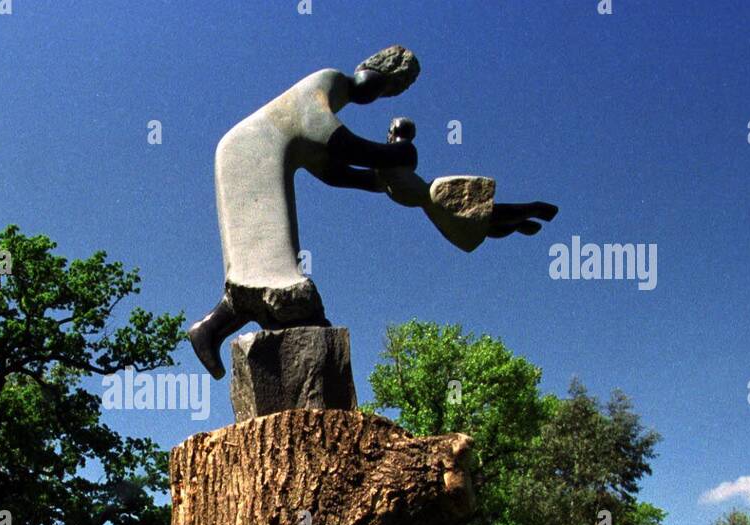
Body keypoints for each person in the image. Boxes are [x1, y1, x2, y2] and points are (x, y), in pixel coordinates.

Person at [189, 45, 558, 379]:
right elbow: (337, 142)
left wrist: (378, 179)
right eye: (385, 85)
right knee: (279, 285)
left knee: (267, 278)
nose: (380, 95)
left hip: (253, 157)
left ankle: (209, 329)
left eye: (390, 91)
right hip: (249, 159)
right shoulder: (327, 82)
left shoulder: (311, 115)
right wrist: (391, 156)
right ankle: (257, 340)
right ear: (371, 69)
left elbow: (333, 172)